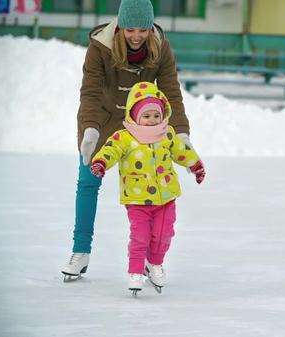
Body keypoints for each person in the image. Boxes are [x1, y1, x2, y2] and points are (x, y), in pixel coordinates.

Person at [61, 0, 194, 281]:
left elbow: (171, 91)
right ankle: (80, 251)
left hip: (145, 126)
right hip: (103, 120)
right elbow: (91, 93)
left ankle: (151, 257)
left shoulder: (161, 48)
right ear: (120, 26)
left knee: (149, 191)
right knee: (88, 181)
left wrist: (181, 131)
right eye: (130, 29)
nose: (136, 36)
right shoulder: (100, 48)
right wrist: (91, 129)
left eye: (143, 30)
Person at [89, 81, 205, 294]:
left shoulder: (167, 134)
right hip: (137, 198)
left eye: (156, 115)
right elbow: (110, 150)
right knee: (140, 235)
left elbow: (182, 151)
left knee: (164, 234)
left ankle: (154, 263)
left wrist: (195, 165)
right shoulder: (123, 137)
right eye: (146, 115)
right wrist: (101, 162)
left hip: (166, 196)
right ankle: (135, 271)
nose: (152, 121)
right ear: (134, 115)